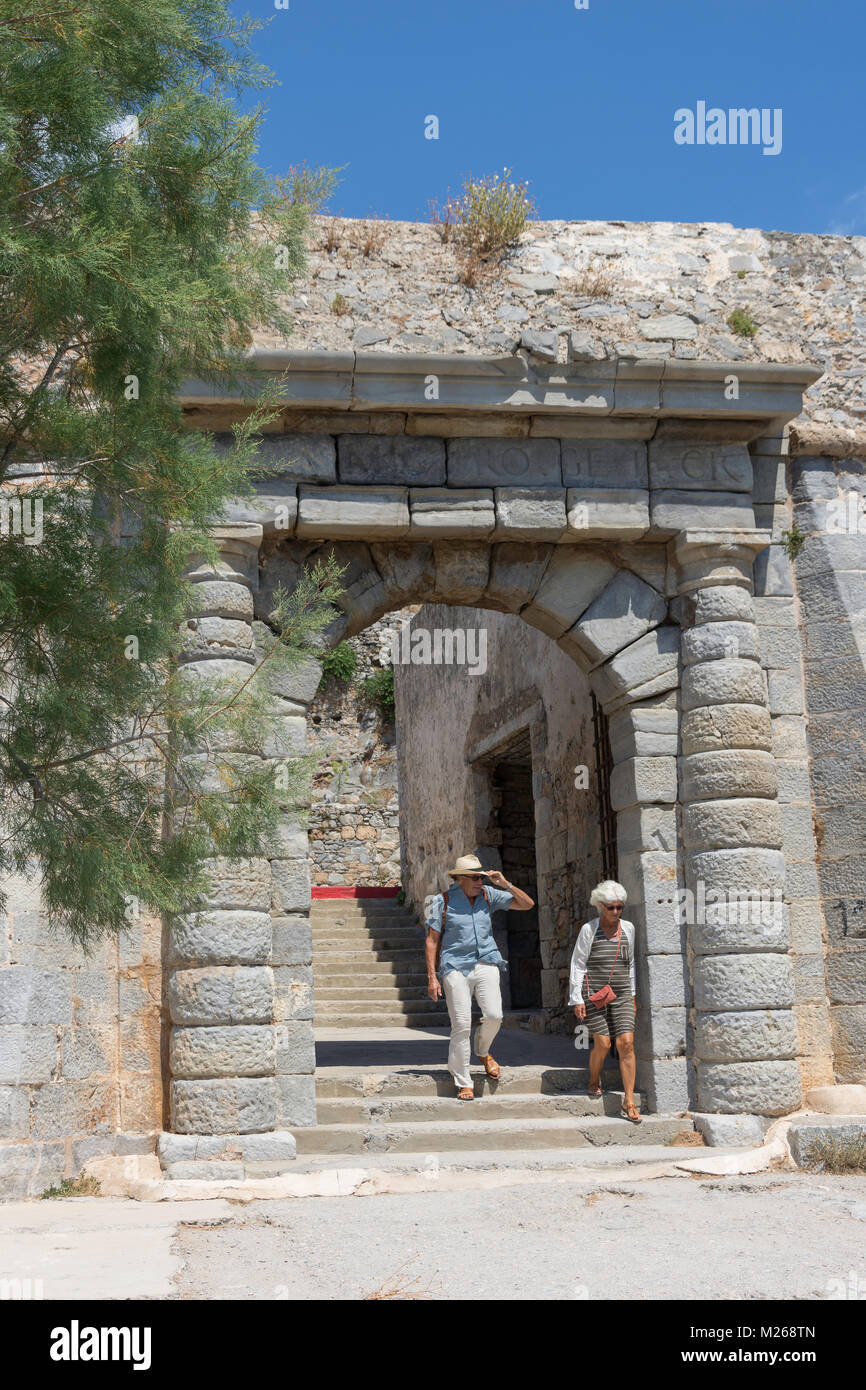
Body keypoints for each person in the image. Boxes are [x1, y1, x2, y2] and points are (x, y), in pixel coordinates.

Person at [425, 853, 535, 1100]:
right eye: (475, 877)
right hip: (454, 966)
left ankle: (483, 1052)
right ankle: (464, 1081)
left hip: (486, 962)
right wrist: (432, 977)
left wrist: (504, 884)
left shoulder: (489, 895)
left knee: (495, 1015)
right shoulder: (441, 901)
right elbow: (431, 941)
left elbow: (527, 904)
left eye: (482, 877)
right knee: (461, 1025)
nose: (480, 881)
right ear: (461, 879)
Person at [568, 880, 641, 1124]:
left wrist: (632, 996)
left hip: (621, 992)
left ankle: (629, 1101)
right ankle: (593, 1079)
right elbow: (578, 964)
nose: (616, 912)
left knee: (627, 1044)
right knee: (603, 1044)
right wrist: (576, 998)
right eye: (611, 907)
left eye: (620, 907)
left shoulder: (628, 929)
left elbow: (630, 964)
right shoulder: (589, 930)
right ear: (600, 906)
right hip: (594, 993)